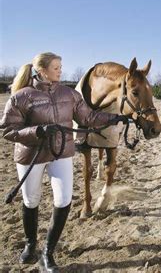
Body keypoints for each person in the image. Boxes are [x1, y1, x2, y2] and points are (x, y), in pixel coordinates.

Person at [0, 52, 127, 272]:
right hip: (31, 155)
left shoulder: (69, 94)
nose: (60, 70)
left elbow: (88, 117)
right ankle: (31, 244)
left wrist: (113, 118)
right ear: (42, 71)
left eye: (61, 66)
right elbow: (8, 130)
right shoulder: (21, 97)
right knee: (31, 201)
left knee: (63, 199)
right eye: (56, 67)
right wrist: (37, 131)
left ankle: (48, 253)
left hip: (61, 152)